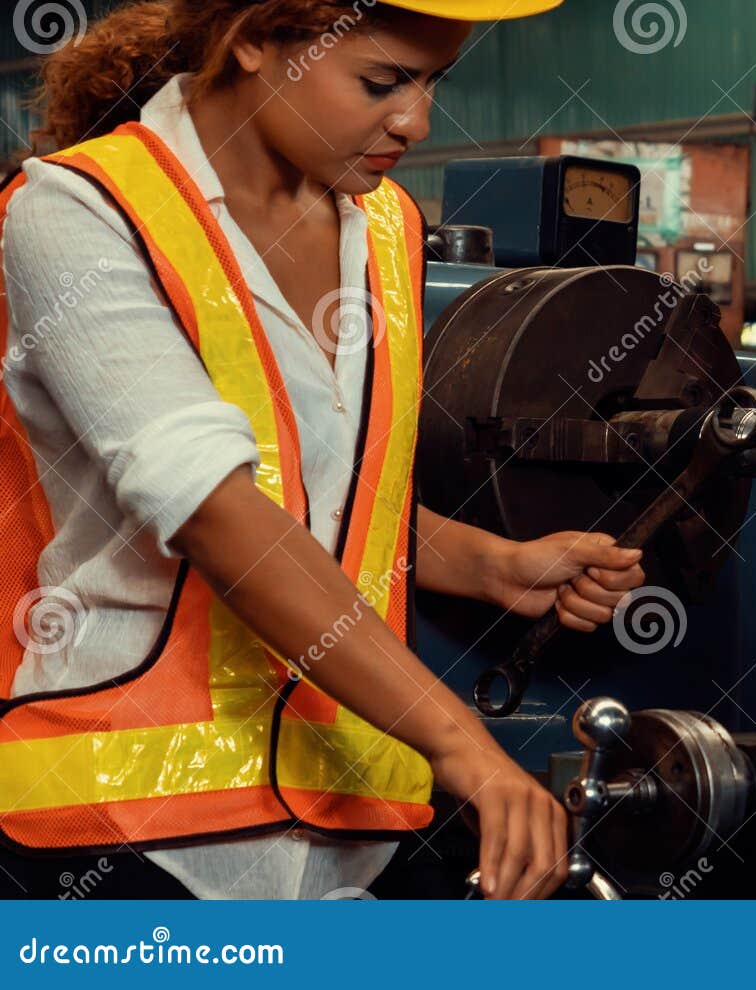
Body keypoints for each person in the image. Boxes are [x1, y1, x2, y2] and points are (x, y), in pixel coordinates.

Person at [0, 0, 639, 901]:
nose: (416, 121)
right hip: (128, 836)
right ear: (254, 39)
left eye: (431, 84)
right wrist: (462, 745)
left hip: (349, 832)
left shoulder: (387, 229)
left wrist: (488, 563)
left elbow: (320, 493)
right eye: (382, 82)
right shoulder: (77, 213)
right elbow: (217, 514)